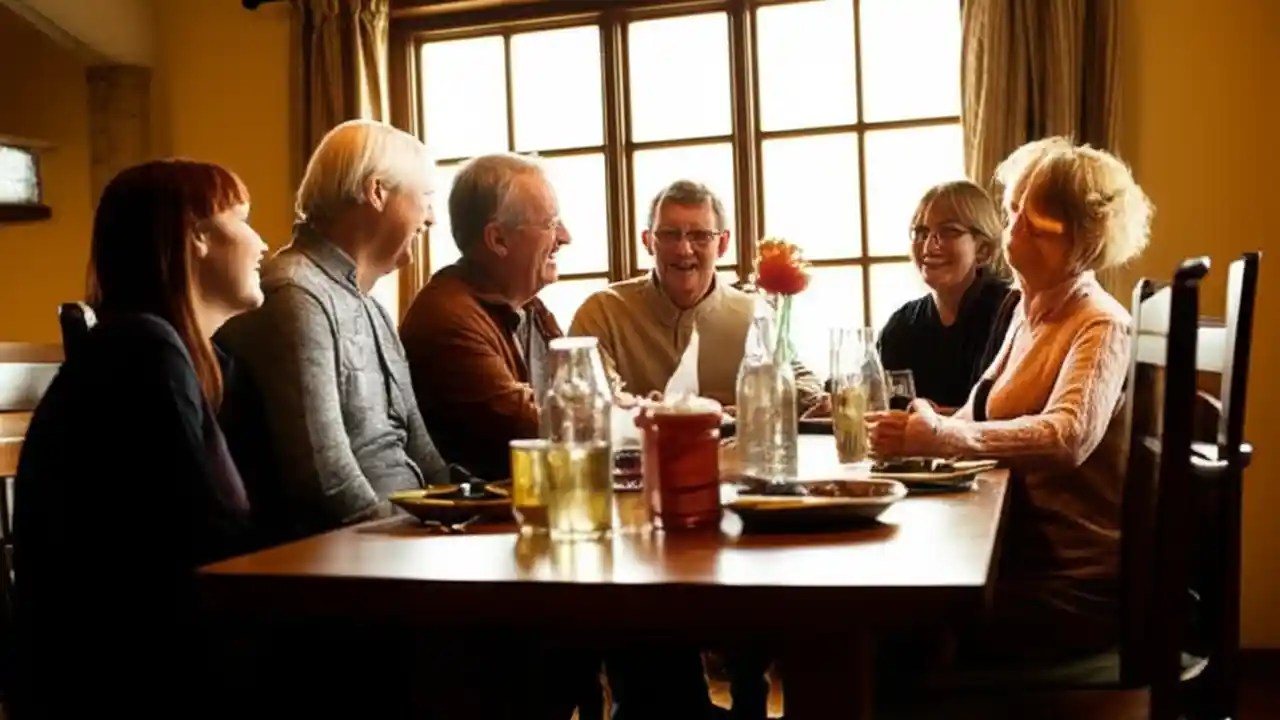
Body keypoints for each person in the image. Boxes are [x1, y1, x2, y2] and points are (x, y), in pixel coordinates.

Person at [868, 136, 1155, 662]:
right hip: (1014, 552)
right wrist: (925, 419)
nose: (1014, 227)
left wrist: (943, 435)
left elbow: (1065, 436)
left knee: (873, 628)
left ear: (1086, 237)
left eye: (1037, 217)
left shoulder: (1100, 322)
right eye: (1014, 209)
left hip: (1069, 582)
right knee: (870, 596)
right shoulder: (1028, 309)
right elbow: (982, 412)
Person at [11, 159, 267, 716]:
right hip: (126, 687)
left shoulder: (188, 358)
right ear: (194, 238)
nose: (262, 242)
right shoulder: (142, 352)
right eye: (243, 219)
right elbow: (202, 540)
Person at [216, 119, 455, 540]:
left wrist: (471, 510)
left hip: (404, 540)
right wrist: (418, 540)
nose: (431, 217)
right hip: (350, 559)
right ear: (377, 192)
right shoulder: (295, 293)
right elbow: (326, 483)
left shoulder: (373, 308)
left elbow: (425, 456)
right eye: (426, 198)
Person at [570, 180, 824, 411]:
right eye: (669, 235)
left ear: (723, 244)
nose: (684, 249)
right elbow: (586, 399)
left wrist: (742, 412)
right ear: (648, 241)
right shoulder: (603, 312)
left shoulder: (755, 316)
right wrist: (690, 413)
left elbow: (806, 386)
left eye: (700, 236)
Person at [400, 153, 569, 480]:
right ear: (498, 240)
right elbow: (533, 431)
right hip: (479, 521)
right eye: (551, 224)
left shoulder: (529, 307)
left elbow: (587, 395)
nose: (565, 237)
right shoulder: (446, 321)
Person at [877, 181, 1014, 411]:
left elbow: (1013, 414)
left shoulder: (1013, 316)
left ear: (983, 250)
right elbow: (882, 406)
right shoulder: (901, 325)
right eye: (921, 233)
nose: (929, 245)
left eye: (948, 231)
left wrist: (936, 420)